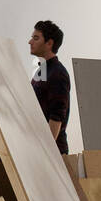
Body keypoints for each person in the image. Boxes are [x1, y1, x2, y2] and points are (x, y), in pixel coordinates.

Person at [29, 19, 71, 154]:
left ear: (49, 43)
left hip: (53, 154)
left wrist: (45, 151)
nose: (30, 42)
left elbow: (57, 116)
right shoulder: (42, 71)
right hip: (39, 146)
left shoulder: (58, 73)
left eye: (36, 38)